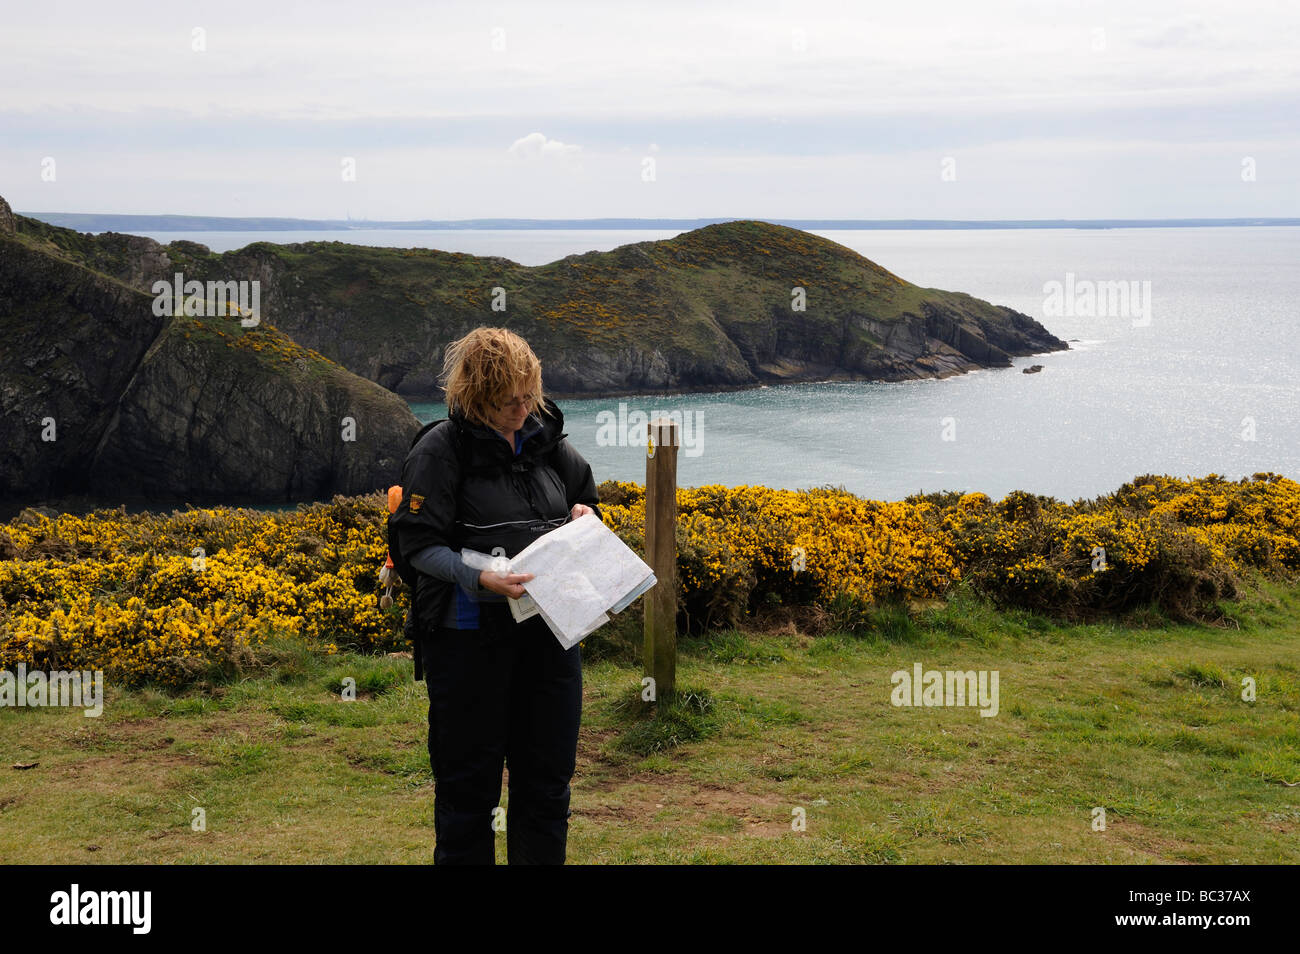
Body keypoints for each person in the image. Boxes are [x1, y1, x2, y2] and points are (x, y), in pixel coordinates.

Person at [389, 326, 602, 865]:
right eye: (509, 401)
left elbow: (585, 499)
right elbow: (419, 548)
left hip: (550, 633)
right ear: (475, 396)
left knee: (548, 782)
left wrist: (586, 515)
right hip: (468, 641)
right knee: (468, 791)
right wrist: (480, 576)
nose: (522, 409)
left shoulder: (546, 438)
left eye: (529, 395)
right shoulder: (440, 451)